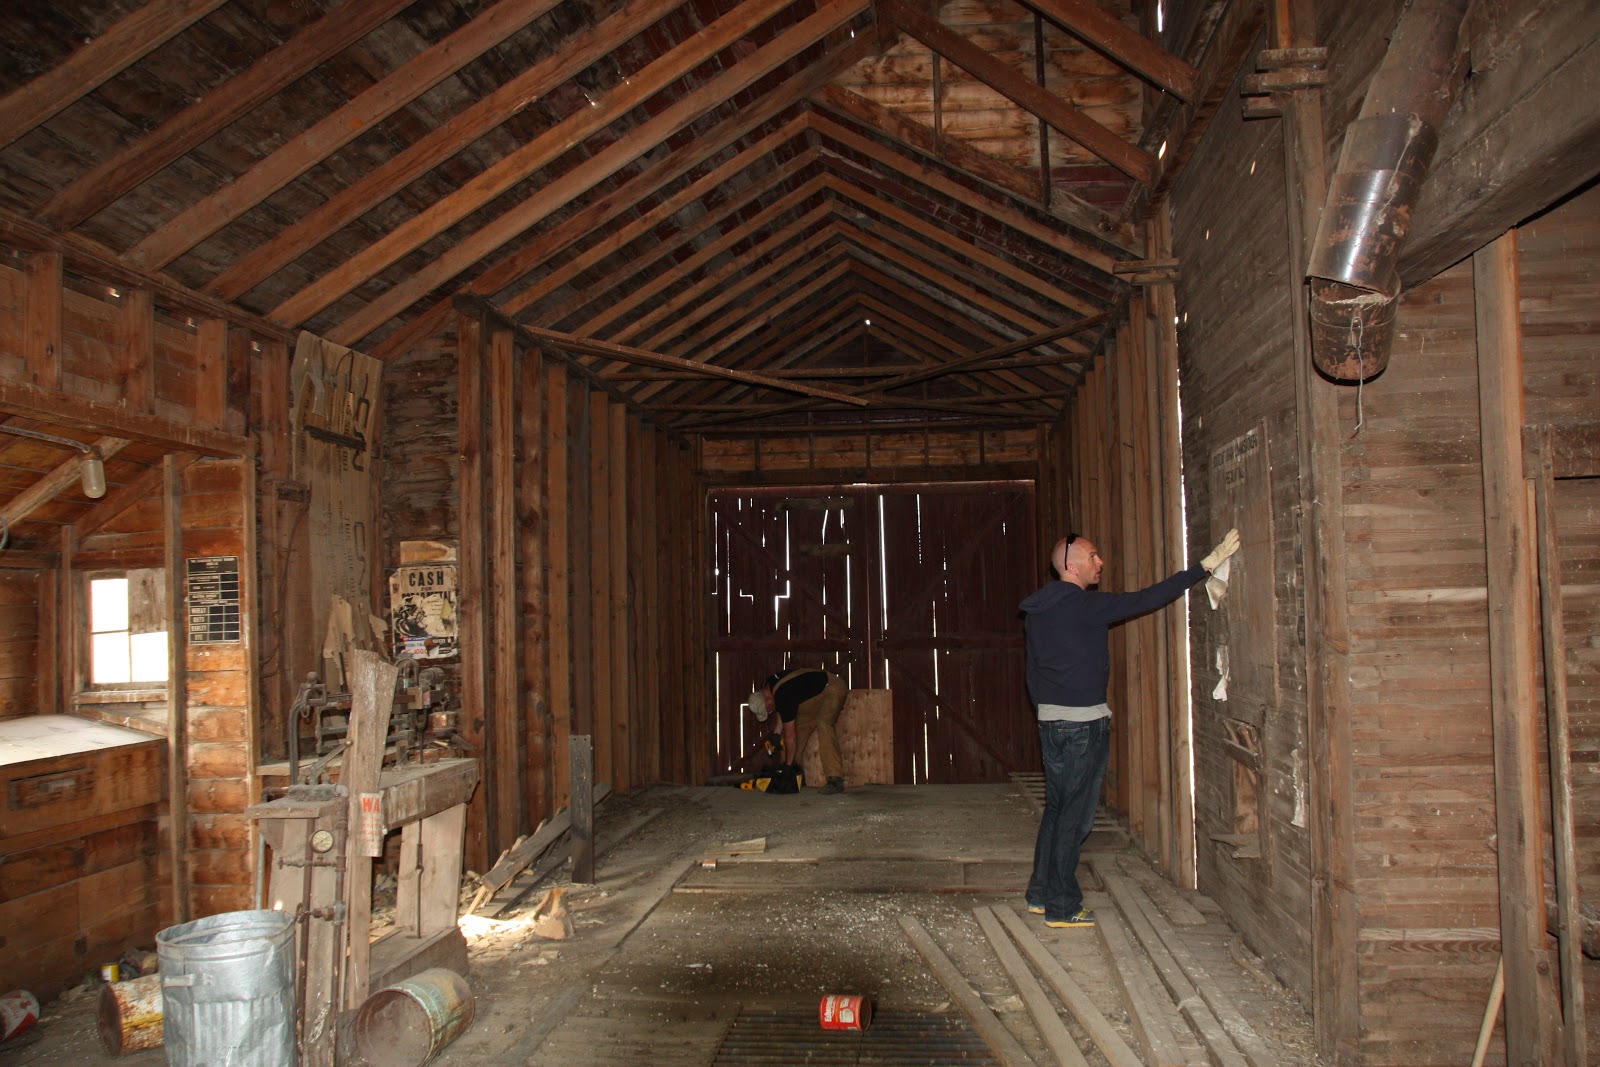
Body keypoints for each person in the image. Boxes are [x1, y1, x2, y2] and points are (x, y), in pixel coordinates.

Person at [1021, 528, 1240, 928]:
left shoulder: (1038, 610)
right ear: (1072, 566)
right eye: (1093, 556)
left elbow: (1032, 671)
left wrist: (1047, 710)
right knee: (1075, 818)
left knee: (1057, 810)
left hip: (1052, 723)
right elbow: (1147, 598)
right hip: (1083, 725)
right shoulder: (1082, 605)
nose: (1099, 562)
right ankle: (1062, 906)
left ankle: (1040, 893)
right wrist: (1201, 569)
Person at [747, 666, 848, 794]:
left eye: (767, 710)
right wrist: (776, 734)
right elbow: (781, 707)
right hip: (811, 699)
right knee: (798, 733)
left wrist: (787, 767)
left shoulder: (784, 693)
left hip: (831, 688)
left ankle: (836, 779)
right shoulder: (768, 686)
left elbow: (790, 736)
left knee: (824, 724)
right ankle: (797, 776)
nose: (769, 712)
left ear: (767, 699)